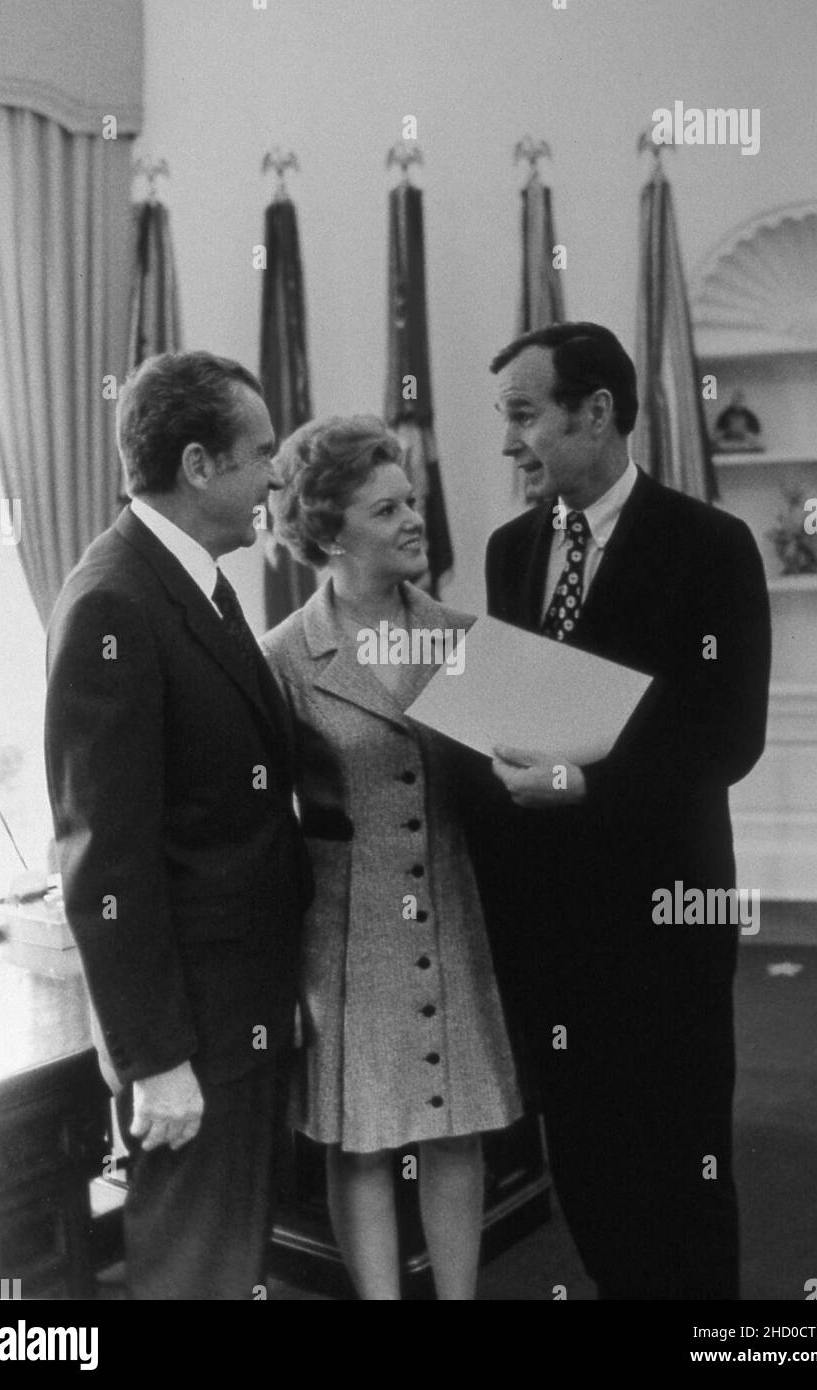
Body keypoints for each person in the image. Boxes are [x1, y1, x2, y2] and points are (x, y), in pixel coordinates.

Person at [483, 322, 771, 1300]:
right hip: (551, 933)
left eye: (524, 415)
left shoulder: (712, 545)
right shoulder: (509, 550)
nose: (509, 442)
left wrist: (581, 786)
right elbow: (519, 715)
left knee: (684, 1172)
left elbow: (725, 739)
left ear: (595, 410)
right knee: (590, 1175)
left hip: (666, 919)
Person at [45, 350, 311, 1299]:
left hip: (238, 1007)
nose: (277, 477)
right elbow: (102, 861)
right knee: (194, 1270)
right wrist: (156, 1061)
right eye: (261, 453)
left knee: (227, 1259)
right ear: (198, 466)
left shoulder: (193, 577)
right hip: (191, 1029)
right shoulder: (117, 597)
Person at [262, 415, 522, 1301]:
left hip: (454, 913)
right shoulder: (283, 659)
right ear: (331, 532)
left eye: (412, 500)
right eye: (389, 509)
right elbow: (265, 820)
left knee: (457, 1129)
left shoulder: (460, 636)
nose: (416, 519)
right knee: (363, 1140)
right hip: (345, 933)